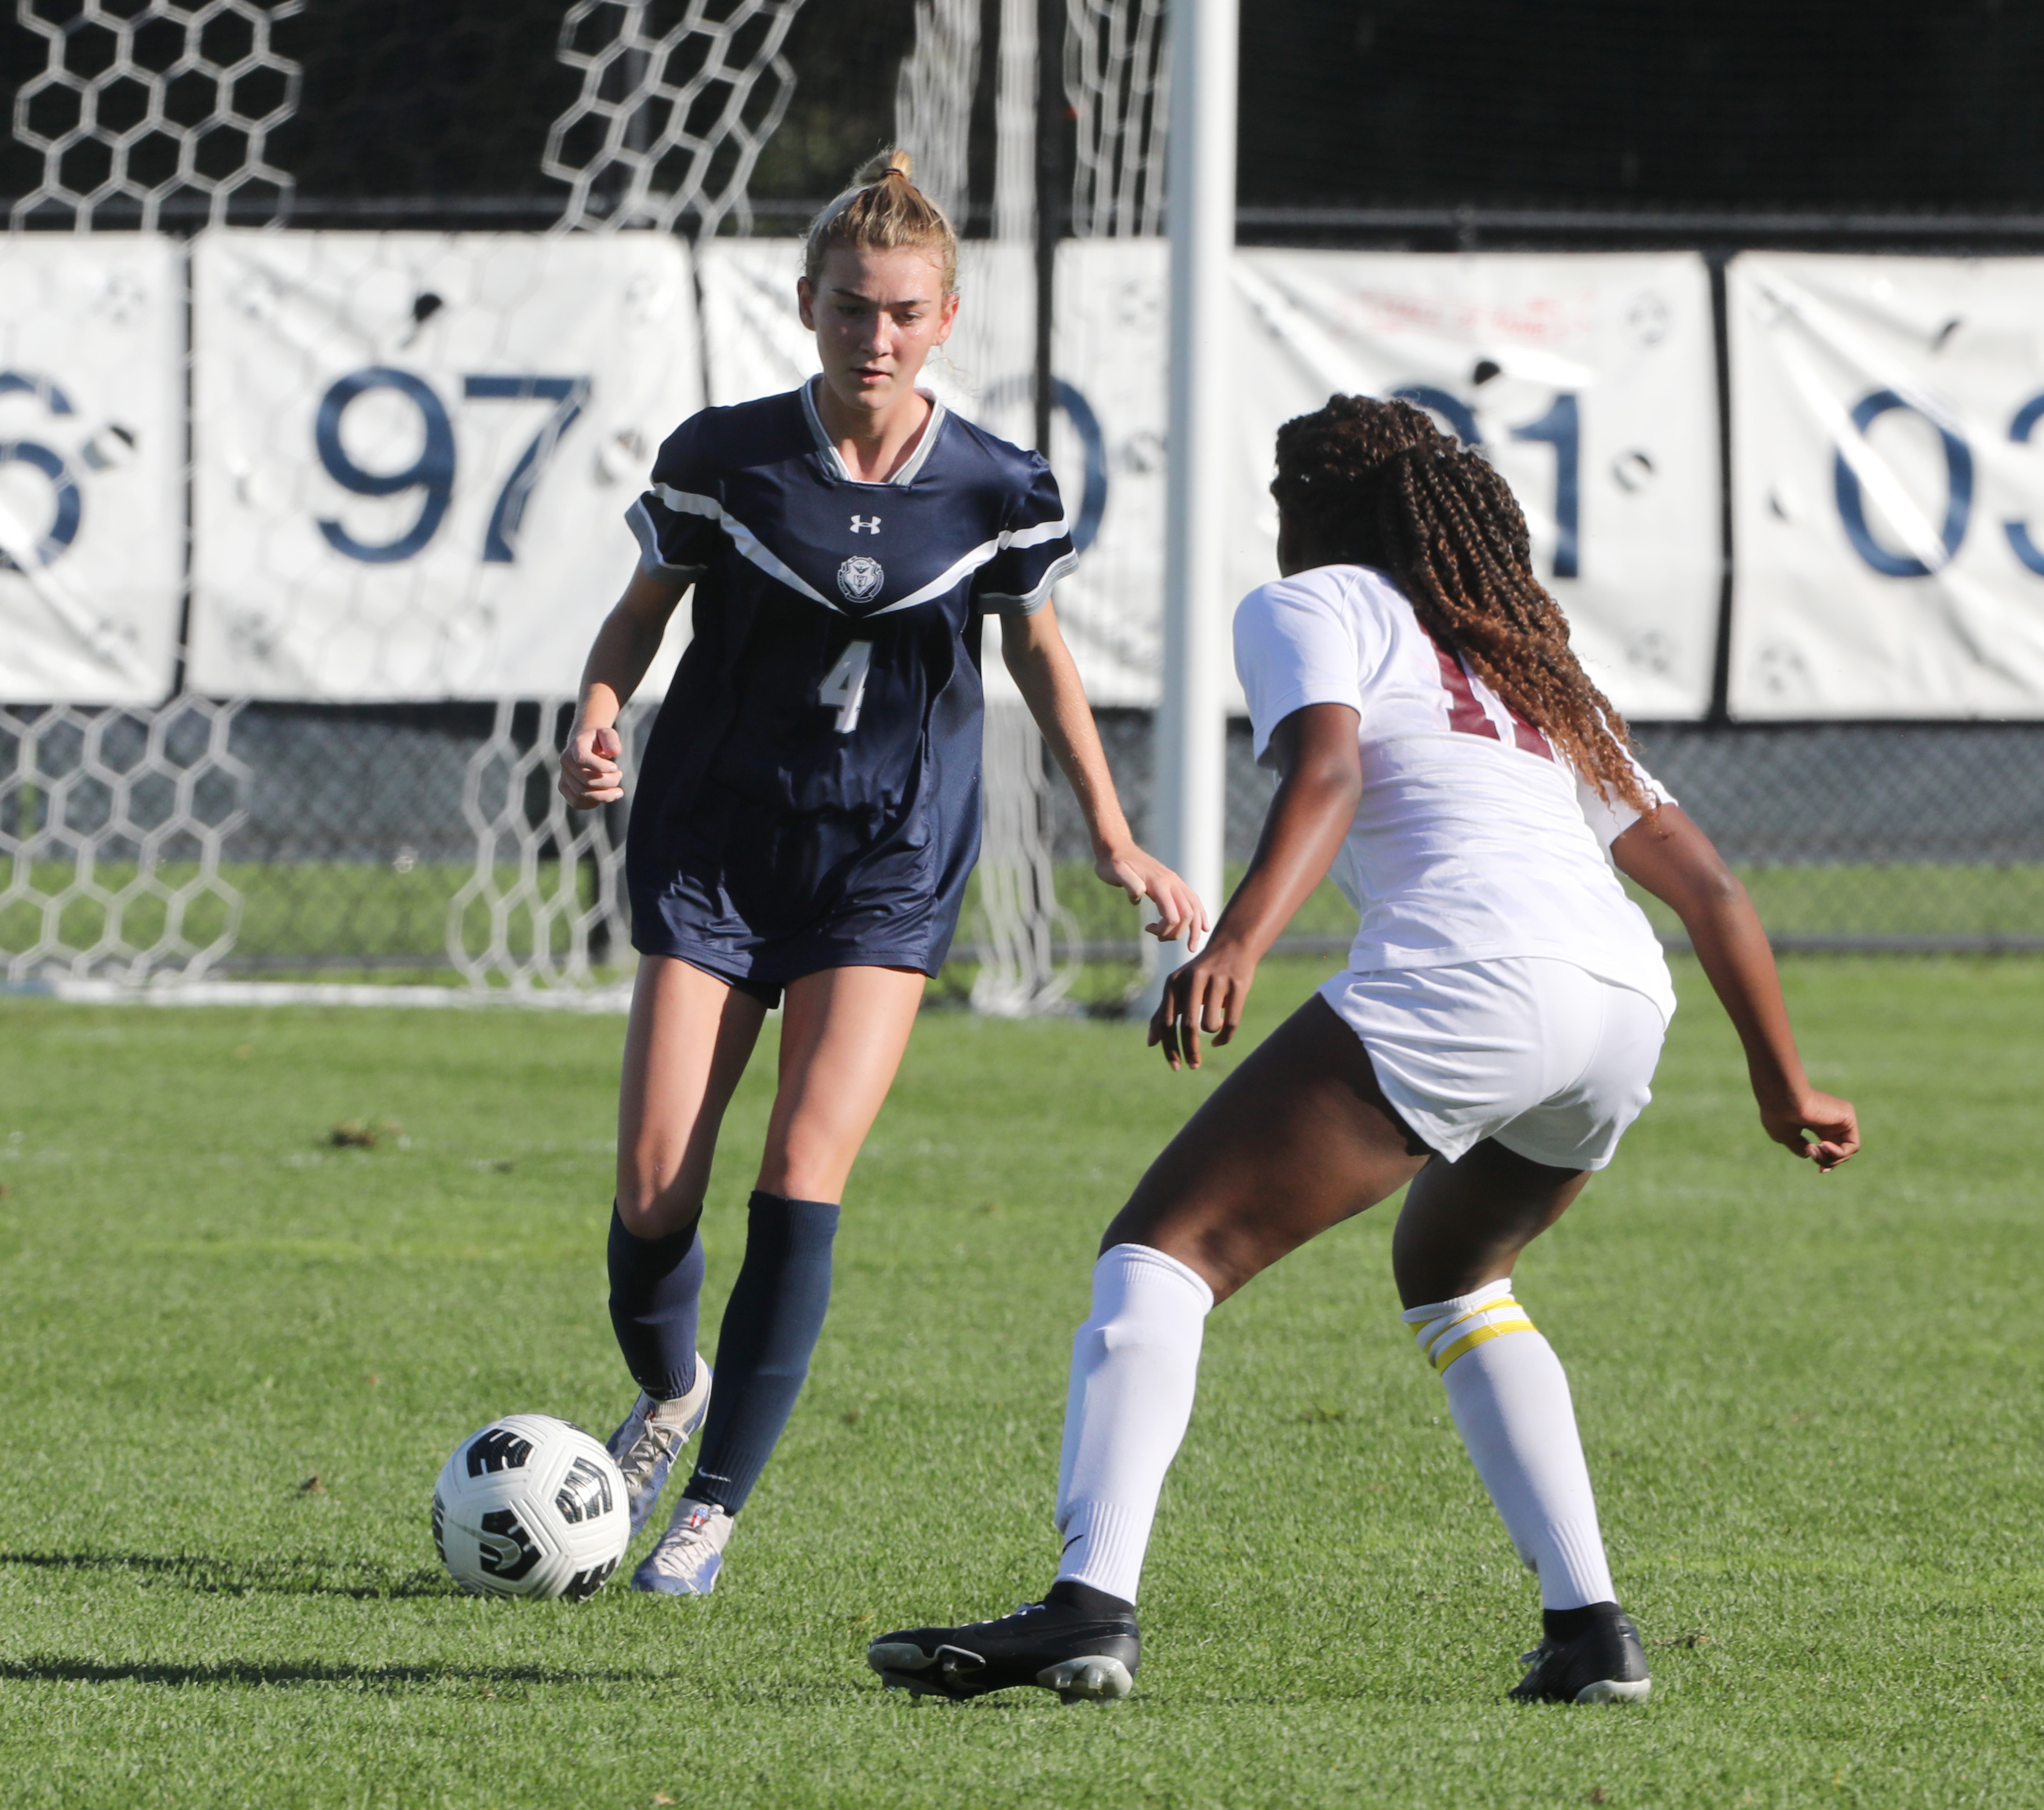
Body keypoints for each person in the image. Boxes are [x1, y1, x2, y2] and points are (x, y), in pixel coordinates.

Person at [867, 395, 1859, 1704]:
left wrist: (1229, 943)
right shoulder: (1524, 657)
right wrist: (1780, 1082)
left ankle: (1087, 1605)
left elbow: (1326, 772)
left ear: (1319, 511)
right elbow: (1712, 887)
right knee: (1453, 1269)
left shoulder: (1311, 601)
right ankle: (1588, 1631)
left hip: (1470, 974)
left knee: (1161, 1255)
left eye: (1286, 493)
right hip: (1620, 999)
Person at [557, 151, 1204, 1597]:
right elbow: (634, 621)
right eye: (853, 308)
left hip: (887, 860)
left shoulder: (996, 487)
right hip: (715, 844)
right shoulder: (722, 459)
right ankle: (671, 1391)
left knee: (801, 1170)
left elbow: (1041, 657)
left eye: (905, 312)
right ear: (806, 305)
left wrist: (1110, 830)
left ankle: (710, 1512)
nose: (877, 336)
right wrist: (597, 715)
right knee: (658, 1187)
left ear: (948, 317)